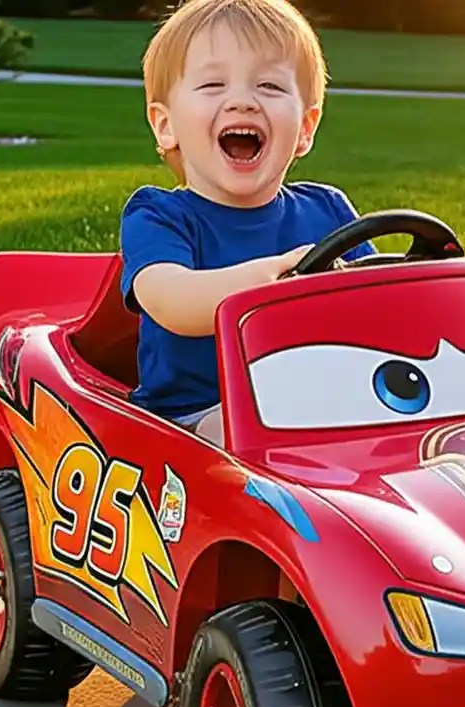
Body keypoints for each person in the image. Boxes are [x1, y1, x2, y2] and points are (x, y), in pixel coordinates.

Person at [120, 0, 375, 446]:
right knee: (241, 435)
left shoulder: (328, 212)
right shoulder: (159, 215)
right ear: (166, 126)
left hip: (326, 402)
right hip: (193, 419)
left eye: (270, 86)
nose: (242, 101)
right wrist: (272, 282)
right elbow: (170, 300)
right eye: (213, 84)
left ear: (305, 129)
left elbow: (386, 303)